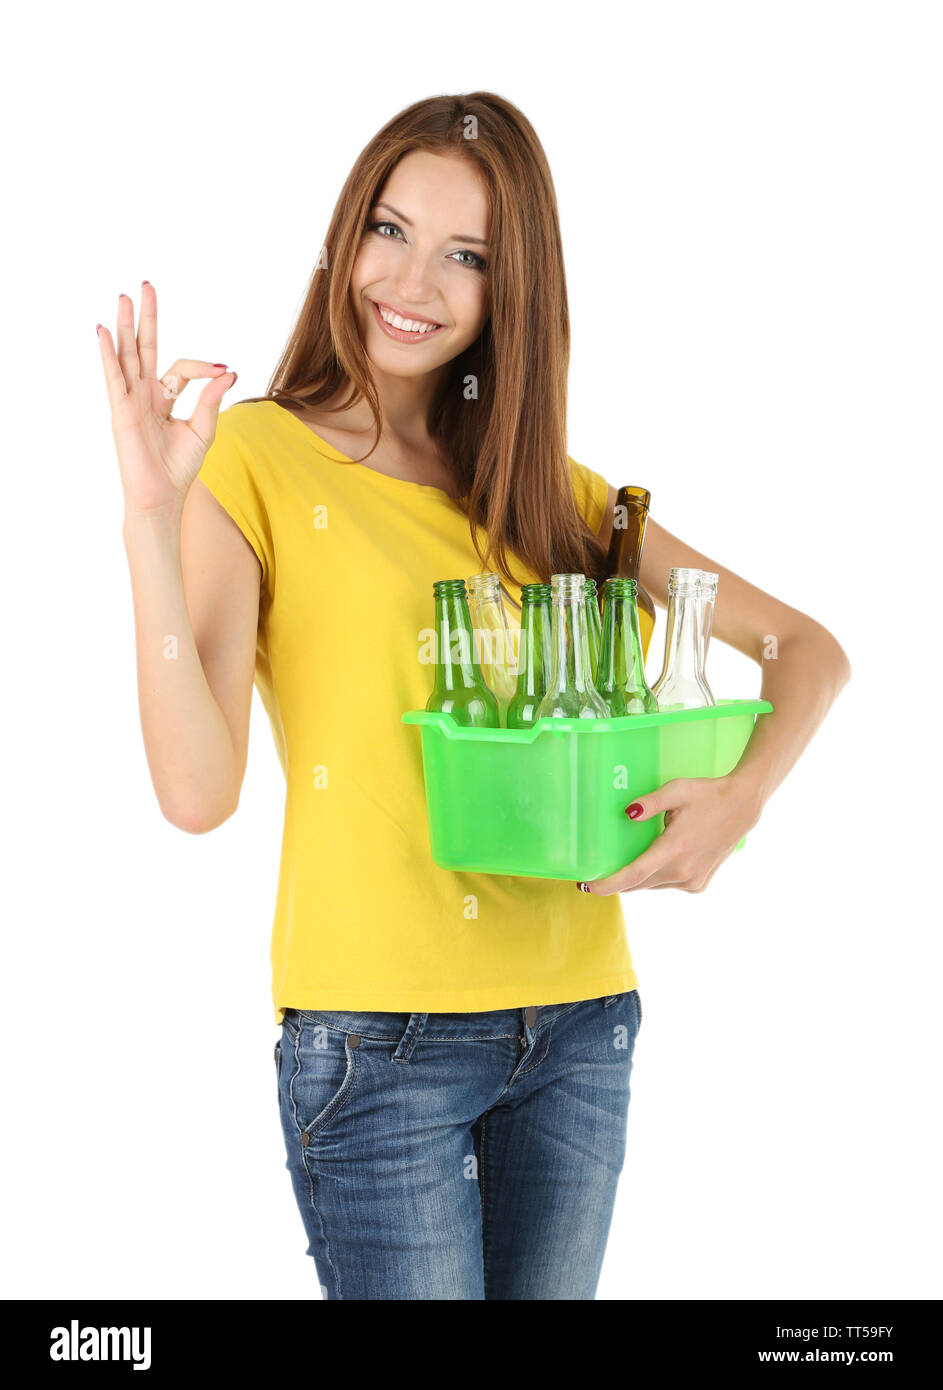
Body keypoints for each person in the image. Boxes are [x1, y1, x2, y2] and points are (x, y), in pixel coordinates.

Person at [98, 91, 850, 1301]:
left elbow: (807, 649)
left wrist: (737, 801)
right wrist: (148, 517)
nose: (412, 280)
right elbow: (196, 792)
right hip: (374, 1040)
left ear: (515, 292)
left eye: (468, 256)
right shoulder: (255, 458)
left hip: (581, 1022)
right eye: (388, 230)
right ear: (344, 239)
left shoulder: (555, 491)